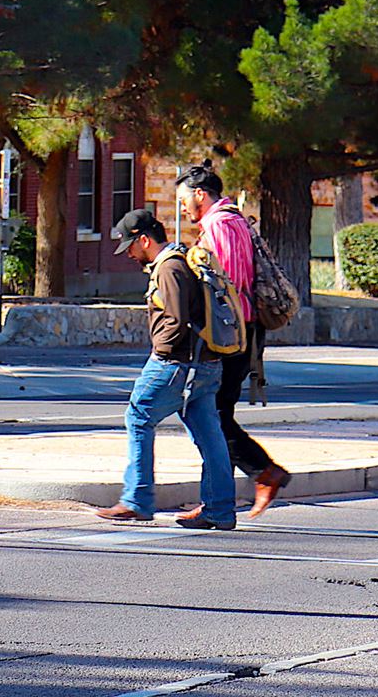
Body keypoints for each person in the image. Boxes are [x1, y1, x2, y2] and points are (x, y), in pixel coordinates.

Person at [95, 207, 237, 530]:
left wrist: (161, 354)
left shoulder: (169, 267)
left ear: (144, 240)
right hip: (205, 363)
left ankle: (137, 500)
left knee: (138, 416)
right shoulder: (181, 260)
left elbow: (176, 319)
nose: (129, 254)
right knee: (209, 433)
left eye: (130, 246)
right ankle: (220, 509)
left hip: (177, 363)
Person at [179, 162, 293, 519]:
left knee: (208, 415)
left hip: (230, 332)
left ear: (200, 194)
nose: (182, 208)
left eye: (183, 199)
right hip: (240, 329)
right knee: (214, 413)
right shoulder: (233, 220)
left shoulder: (220, 224)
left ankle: (262, 473)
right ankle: (217, 502)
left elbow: (224, 284)